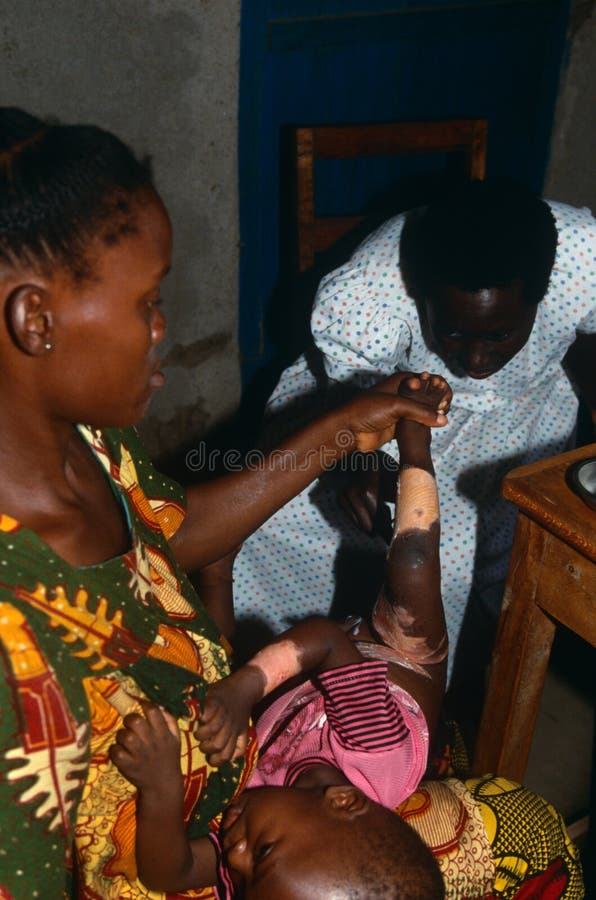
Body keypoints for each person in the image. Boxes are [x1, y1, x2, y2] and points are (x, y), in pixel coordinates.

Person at [0, 108, 449, 899]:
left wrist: (347, 426)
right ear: (36, 320)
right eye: (147, 302)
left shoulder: (78, 442)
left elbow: (170, 536)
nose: (162, 330)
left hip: (242, 778)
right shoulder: (12, 646)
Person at [110, 373, 584, 900]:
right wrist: (246, 687)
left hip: (303, 715)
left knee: (218, 684)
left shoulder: (272, 852)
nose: (234, 855)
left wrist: (160, 790)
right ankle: (416, 441)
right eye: (259, 855)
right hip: (400, 663)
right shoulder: (371, 752)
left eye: (240, 886)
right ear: (342, 803)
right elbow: (330, 641)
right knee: (413, 560)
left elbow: (167, 874)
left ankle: (218, 570)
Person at [230, 177, 596, 708]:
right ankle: (279, 679)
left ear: (540, 293)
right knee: (270, 518)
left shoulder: (584, 256)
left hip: (522, 414)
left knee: (455, 561)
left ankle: (428, 697)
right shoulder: (369, 291)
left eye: (498, 335)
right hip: (371, 403)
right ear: (419, 294)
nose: (473, 362)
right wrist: (366, 457)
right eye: (450, 332)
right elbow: (354, 399)